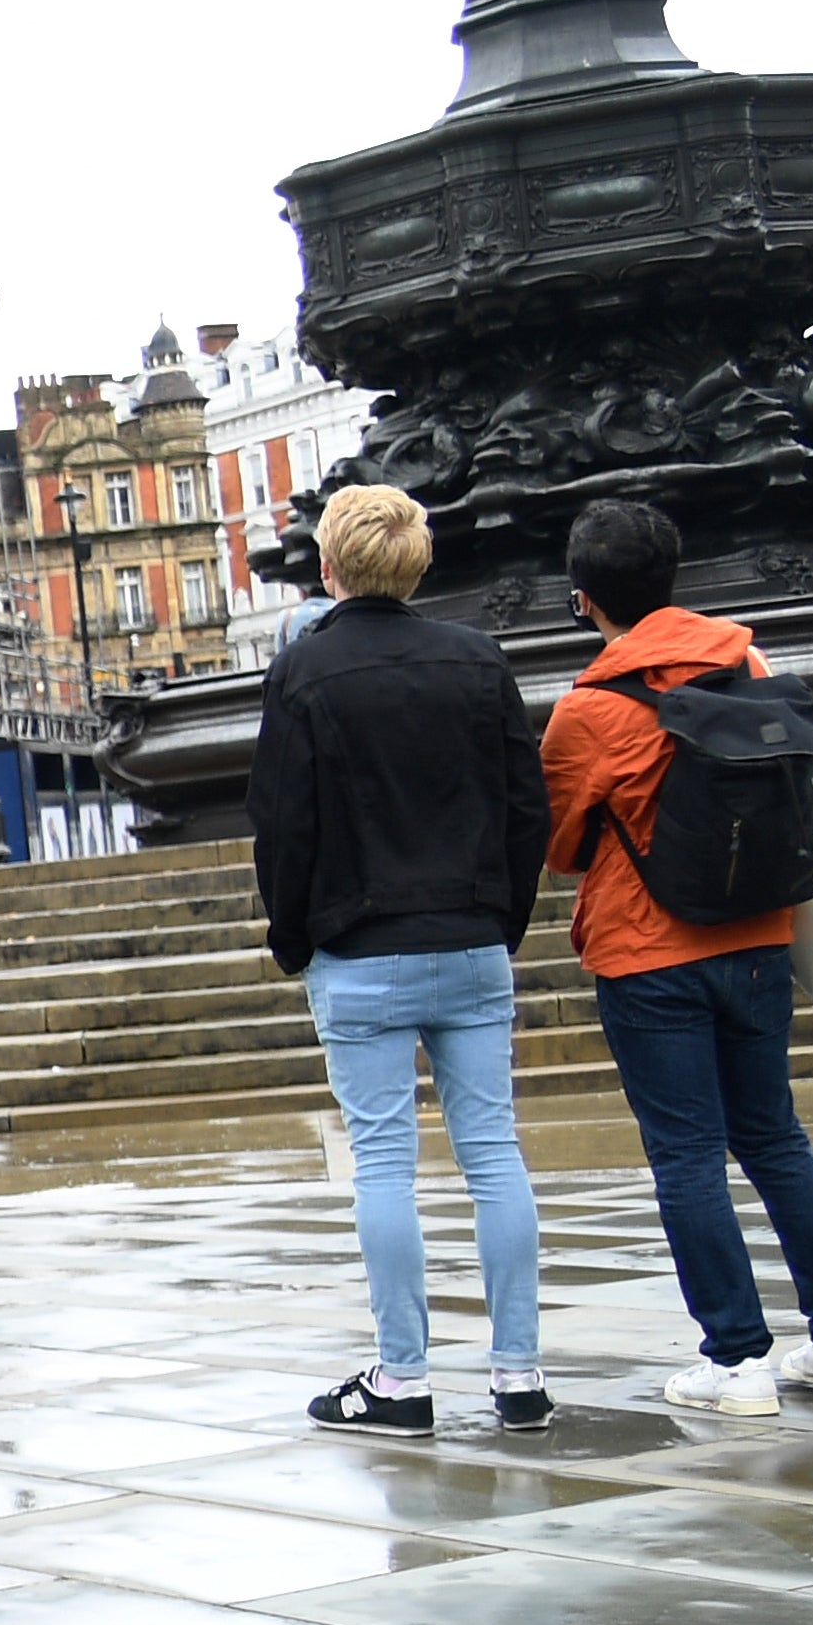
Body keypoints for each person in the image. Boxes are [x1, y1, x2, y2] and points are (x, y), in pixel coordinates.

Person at [543, 497, 813, 1416]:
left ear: (584, 600)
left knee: (687, 1154)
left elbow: (565, 844)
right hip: (759, 938)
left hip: (647, 951)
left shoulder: (586, 709)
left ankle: (737, 1362)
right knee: (774, 1136)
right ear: (672, 577)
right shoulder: (749, 660)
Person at [248, 485, 547, 1436]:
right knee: (494, 1153)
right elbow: (523, 806)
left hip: (360, 943)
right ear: (419, 564)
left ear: (329, 567)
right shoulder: (477, 659)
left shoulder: (304, 671)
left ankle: (404, 1379)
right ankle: (520, 1376)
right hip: (468, 936)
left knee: (383, 1162)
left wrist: (293, 934)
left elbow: (283, 821)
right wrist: (504, 918)